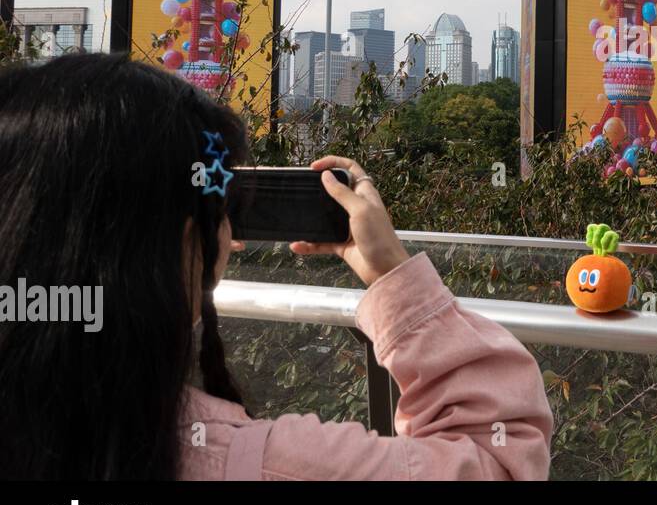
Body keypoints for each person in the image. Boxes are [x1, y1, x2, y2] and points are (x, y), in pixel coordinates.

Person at [0, 54, 552, 480]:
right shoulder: (266, 463)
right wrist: (392, 274)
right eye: (223, 208)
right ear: (189, 247)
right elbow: (501, 460)